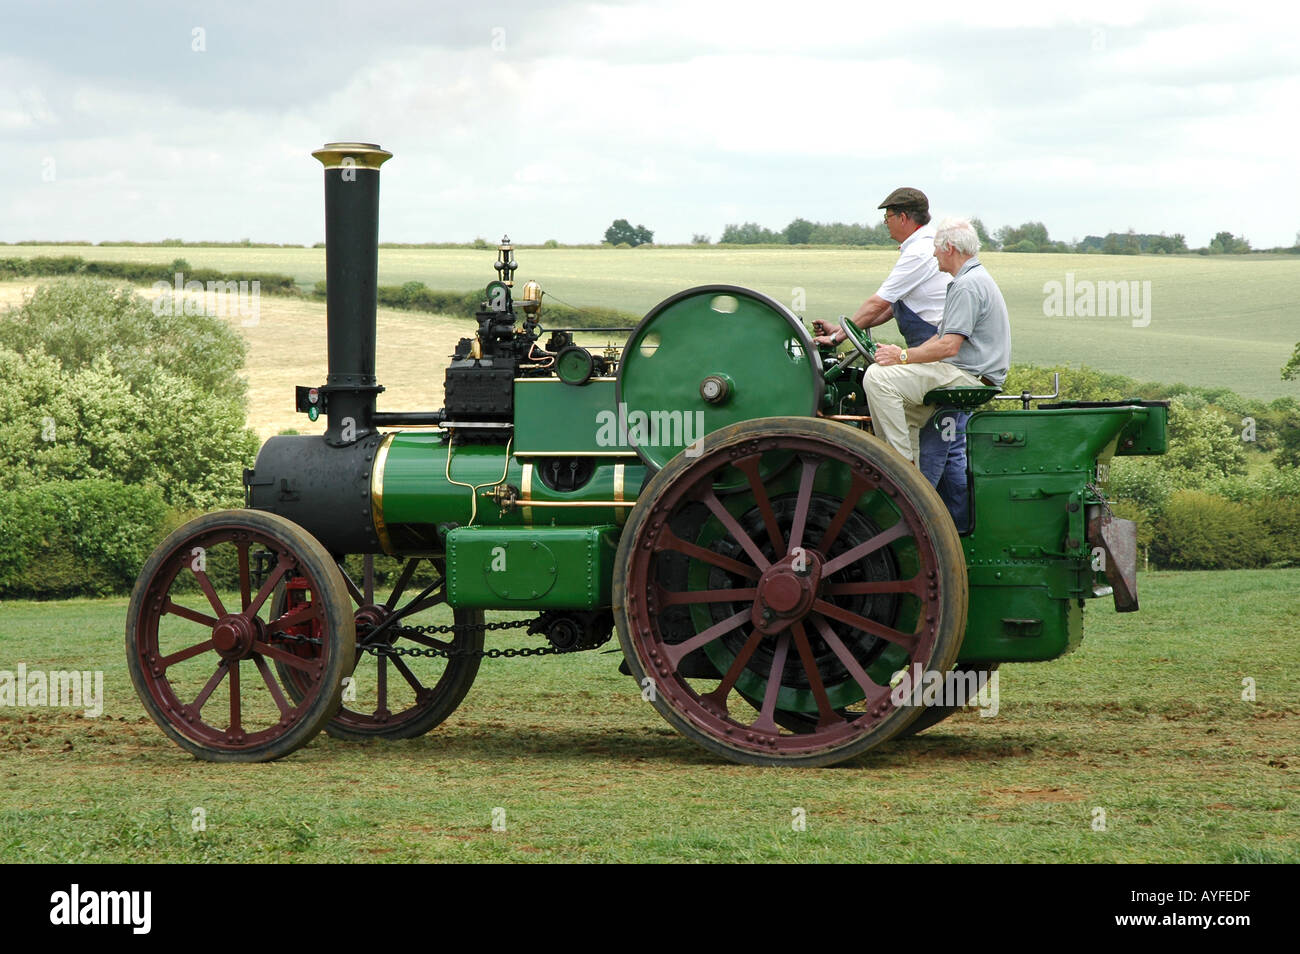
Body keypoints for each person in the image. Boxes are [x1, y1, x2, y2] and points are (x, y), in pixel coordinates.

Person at [811, 187, 969, 520]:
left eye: (887, 217)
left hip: (938, 355)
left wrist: (840, 336)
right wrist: (842, 332)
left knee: (935, 442)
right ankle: (952, 523)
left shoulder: (919, 252)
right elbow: (891, 309)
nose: (885, 224)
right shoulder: (922, 250)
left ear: (902, 217)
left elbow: (878, 303)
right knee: (951, 445)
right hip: (936, 351)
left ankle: (905, 486)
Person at [858, 217, 1010, 520]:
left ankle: (900, 474)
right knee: (903, 409)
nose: (934, 255)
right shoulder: (970, 279)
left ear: (949, 248)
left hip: (967, 375)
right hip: (966, 371)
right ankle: (911, 472)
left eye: (937, 250)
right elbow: (941, 341)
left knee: (877, 378)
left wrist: (900, 356)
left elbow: (947, 347)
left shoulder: (967, 285)